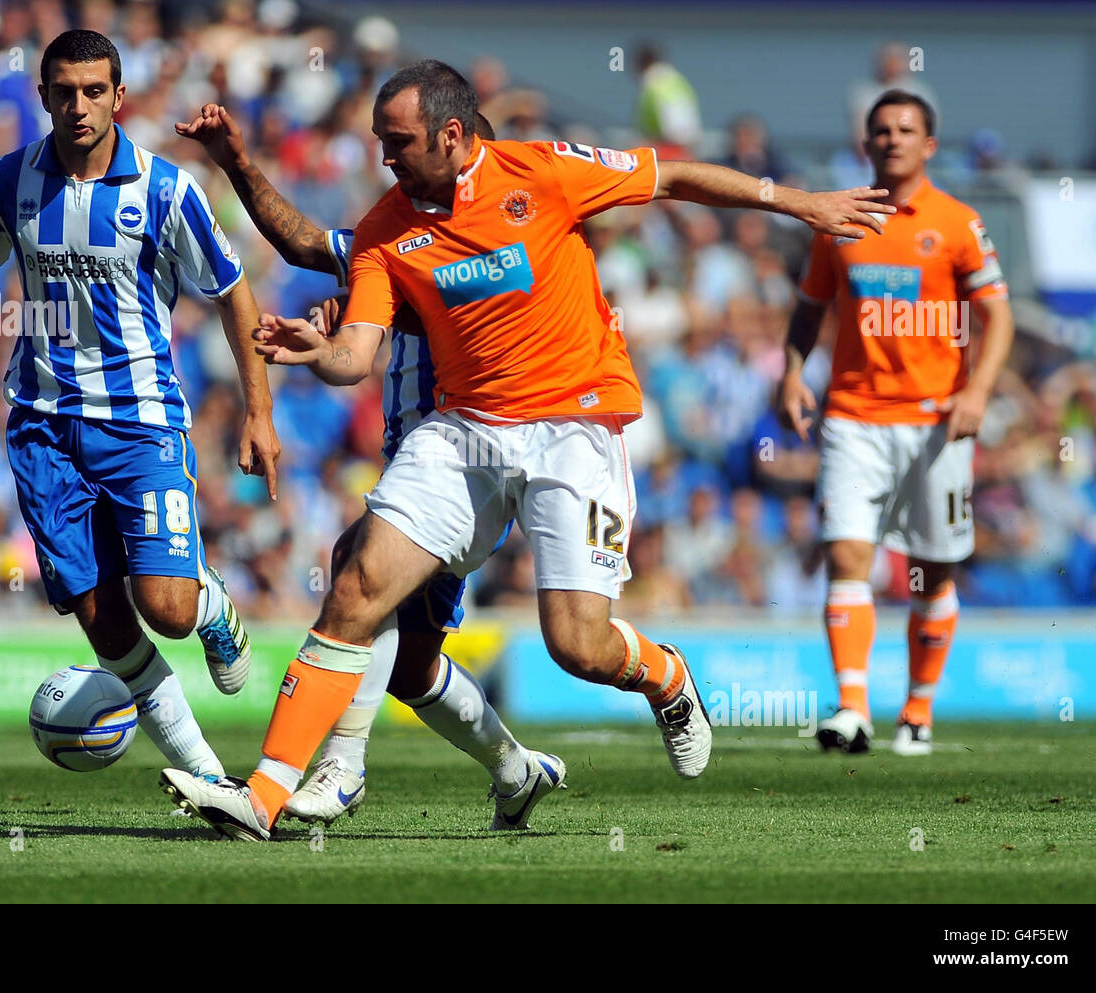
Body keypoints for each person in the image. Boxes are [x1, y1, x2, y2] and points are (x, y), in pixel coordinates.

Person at [161, 58, 895, 841]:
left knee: (577, 644)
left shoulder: (544, 171)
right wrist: (317, 351)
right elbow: (355, 353)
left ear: (451, 133)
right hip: (463, 429)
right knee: (357, 582)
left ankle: (668, 676)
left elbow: (674, 177)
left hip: (572, 429)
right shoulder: (385, 226)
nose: (385, 156)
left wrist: (799, 202)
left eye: (399, 140)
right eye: (378, 140)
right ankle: (267, 795)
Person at [0, 29, 281, 784]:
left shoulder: (165, 189)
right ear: (44, 96)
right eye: (65, 91)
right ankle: (209, 778)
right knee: (102, 616)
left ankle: (211, 600)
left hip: (142, 421)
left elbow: (231, 290)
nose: (80, 105)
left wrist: (258, 409)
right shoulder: (8, 182)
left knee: (169, 609)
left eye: (95, 91)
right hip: (42, 426)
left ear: (120, 96)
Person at [176, 104, 563, 829]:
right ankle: (517, 769)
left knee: (359, 571)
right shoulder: (401, 242)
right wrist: (236, 162)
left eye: (407, 151)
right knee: (412, 667)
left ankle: (339, 766)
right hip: (422, 460)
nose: (399, 170)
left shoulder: (493, 247)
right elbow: (304, 244)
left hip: (470, 464)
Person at [777, 89, 1013, 756]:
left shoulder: (960, 224)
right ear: (866, 143)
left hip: (937, 421)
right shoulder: (839, 221)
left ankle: (917, 708)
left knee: (933, 573)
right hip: (853, 416)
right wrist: (792, 372)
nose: (892, 139)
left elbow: (1000, 318)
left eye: (906, 129)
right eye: (881, 130)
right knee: (848, 554)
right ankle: (852, 705)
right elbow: (808, 308)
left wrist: (979, 393)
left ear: (929, 144)